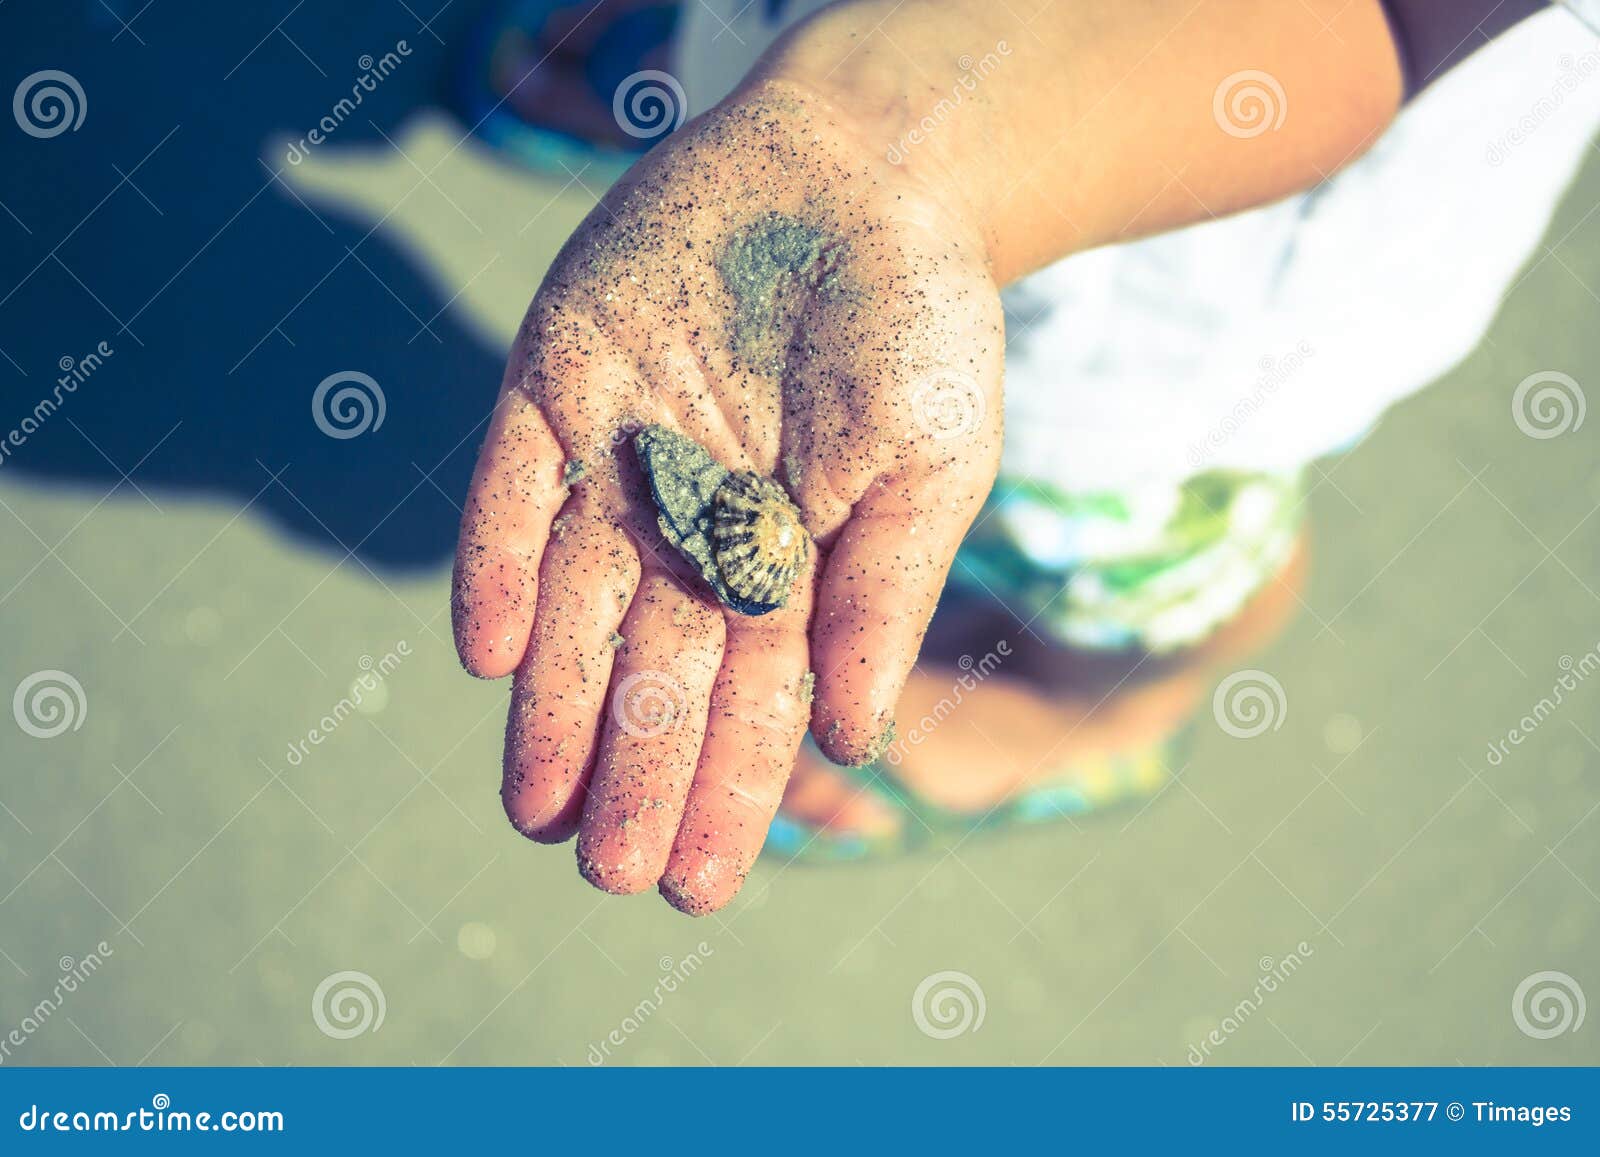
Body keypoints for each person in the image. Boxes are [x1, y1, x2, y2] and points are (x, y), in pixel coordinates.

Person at [450, 0, 1600, 914]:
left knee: (1143, 552)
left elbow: (1386, 18)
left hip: (1182, 287)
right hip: (816, 55)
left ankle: (1094, 713)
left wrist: (883, 126)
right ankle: (734, 70)